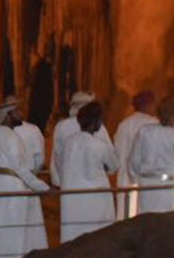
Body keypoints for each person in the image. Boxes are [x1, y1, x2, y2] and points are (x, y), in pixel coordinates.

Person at [0, 98, 51, 258]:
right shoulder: (11, 136)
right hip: (13, 186)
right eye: (17, 112)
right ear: (9, 115)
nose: (20, 115)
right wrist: (42, 187)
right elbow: (21, 168)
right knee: (12, 228)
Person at [55, 101, 119, 242]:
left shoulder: (69, 143)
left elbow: (59, 164)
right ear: (95, 122)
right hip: (96, 201)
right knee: (97, 238)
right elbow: (114, 166)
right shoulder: (100, 146)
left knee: (74, 238)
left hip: (72, 199)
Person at [129, 97, 174, 215]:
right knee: (166, 223)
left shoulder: (144, 131)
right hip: (167, 188)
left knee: (145, 222)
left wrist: (134, 178)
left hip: (146, 186)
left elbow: (134, 160)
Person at [113, 91, 158, 218]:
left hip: (124, 179)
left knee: (126, 215)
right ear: (148, 105)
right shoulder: (154, 123)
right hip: (146, 179)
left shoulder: (124, 125)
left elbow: (117, 152)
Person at [51, 92, 106, 187]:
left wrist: (60, 178)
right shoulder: (98, 127)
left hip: (68, 181)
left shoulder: (61, 127)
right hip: (94, 183)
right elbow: (108, 158)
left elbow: (57, 155)